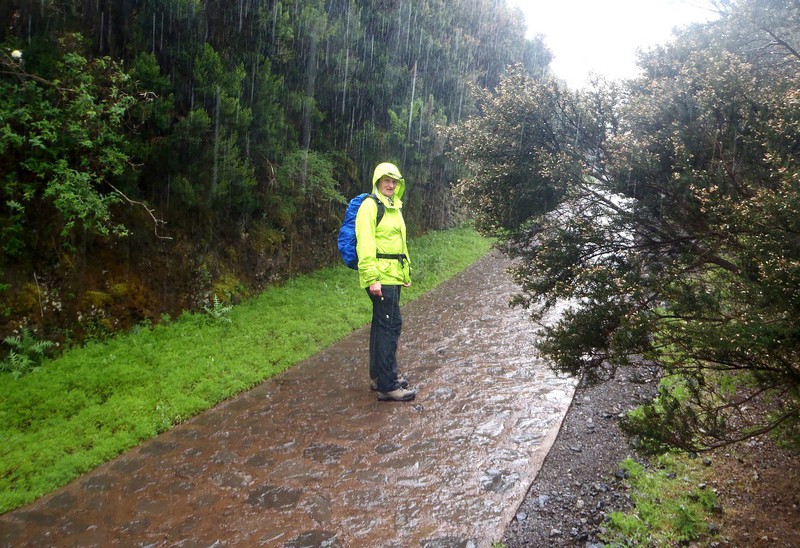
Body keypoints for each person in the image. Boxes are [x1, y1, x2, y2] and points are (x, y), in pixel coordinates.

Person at [355, 162, 416, 402]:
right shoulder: (370, 206)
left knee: (382, 327)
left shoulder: (393, 206)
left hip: (392, 276)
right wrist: (372, 278)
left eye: (394, 181)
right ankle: (388, 385)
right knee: (390, 328)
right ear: (377, 181)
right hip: (381, 277)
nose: (390, 185)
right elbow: (366, 243)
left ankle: (379, 377)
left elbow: (399, 243)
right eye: (386, 180)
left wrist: (405, 274)